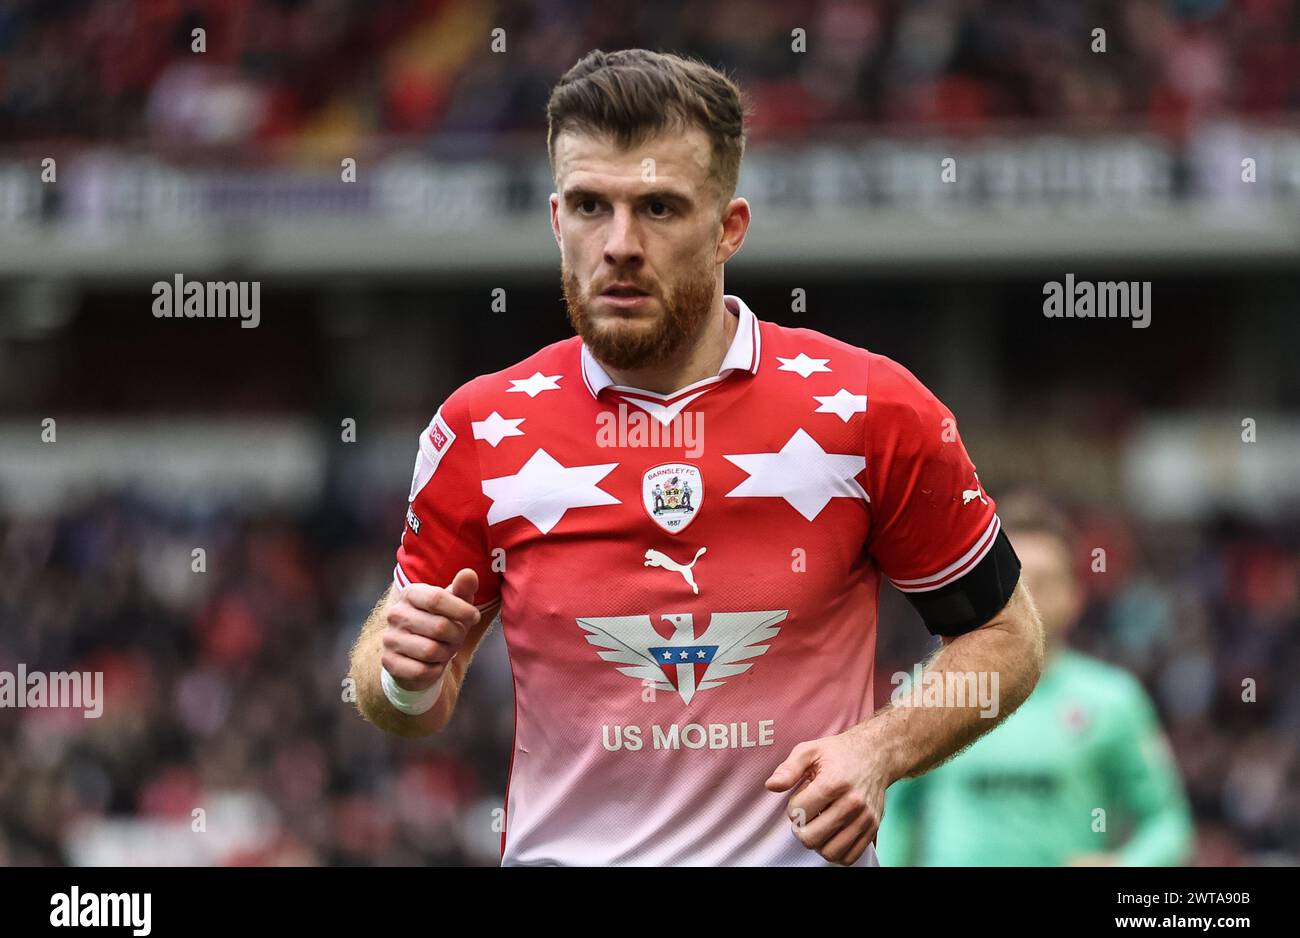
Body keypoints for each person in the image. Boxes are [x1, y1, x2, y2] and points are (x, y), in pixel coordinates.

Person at [348, 48, 1043, 867]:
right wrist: (399, 674)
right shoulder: (481, 427)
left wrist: (880, 750)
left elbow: (1008, 634)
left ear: (728, 230)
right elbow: (405, 702)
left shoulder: (868, 409)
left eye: (660, 208)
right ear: (555, 219)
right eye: (589, 205)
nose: (619, 244)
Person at [875, 491, 1195, 866]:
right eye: (1016, 578)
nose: (1027, 594)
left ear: (1075, 596)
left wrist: (1125, 865)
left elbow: (1169, 824)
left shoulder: (1113, 701)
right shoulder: (933, 693)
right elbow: (895, 815)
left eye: (1044, 580)